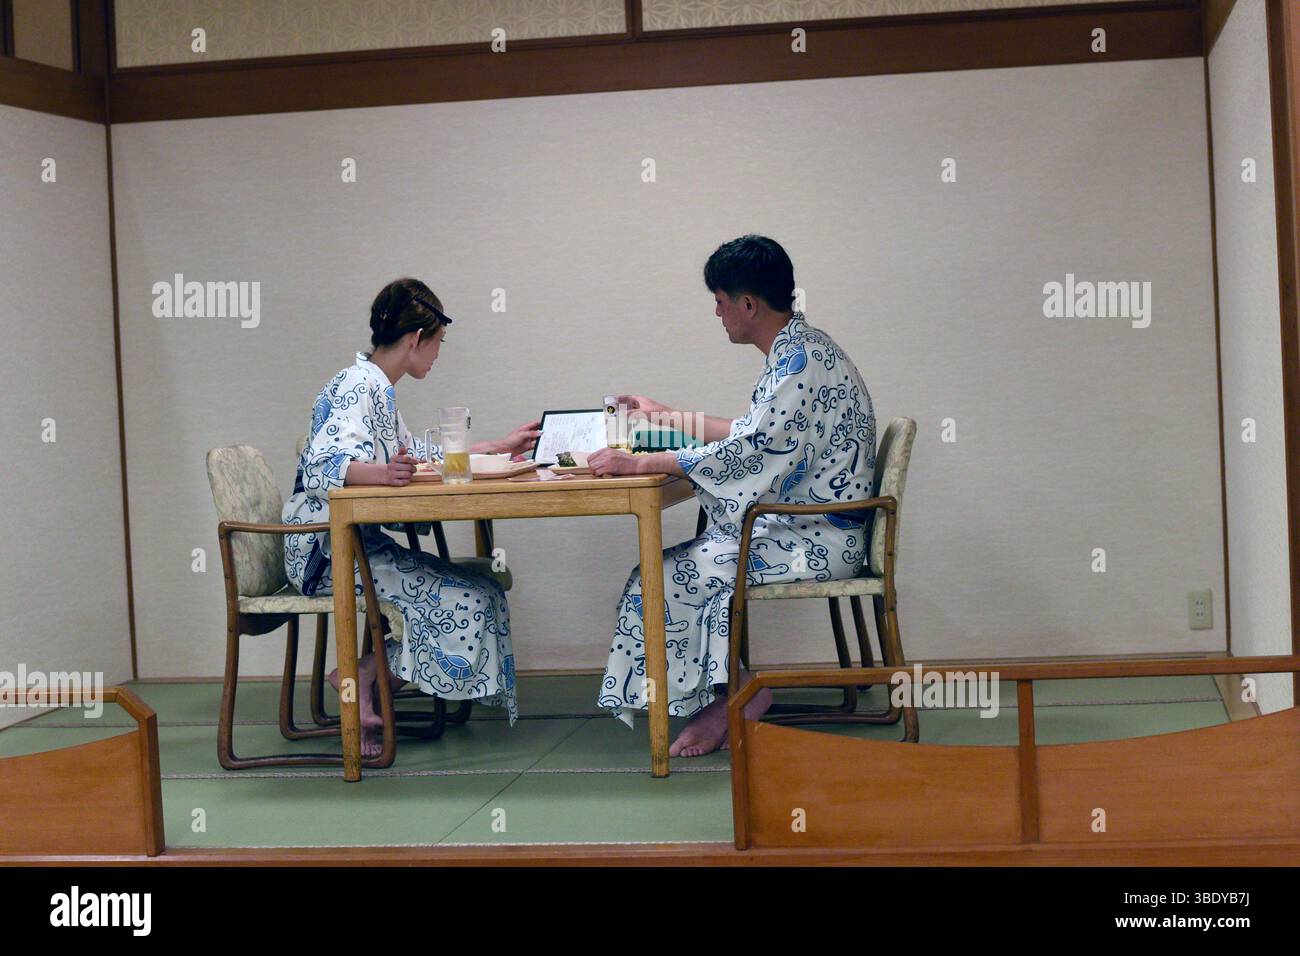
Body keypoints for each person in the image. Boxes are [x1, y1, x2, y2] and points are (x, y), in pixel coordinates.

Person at [588, 236, 877, 757]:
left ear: (748, 304)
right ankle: (732, 690)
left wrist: (643, 462)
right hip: (809, 525)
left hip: (821, 538)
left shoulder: (799, 362)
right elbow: (752, 432)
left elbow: (754, 447)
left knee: (662, 575)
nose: (717, 312)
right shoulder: (801, 350)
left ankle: (732, 697)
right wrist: (668, 417)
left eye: (721, 300)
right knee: (682, 562)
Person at [282, 278, 540, 757]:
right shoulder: (358, 385)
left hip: (356, 545)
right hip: (326, 553)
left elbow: (418, 454)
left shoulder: (376, 386)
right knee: (469, 599)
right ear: (417, 339)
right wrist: (382, 471)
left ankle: (365, 674)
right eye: (439, 342)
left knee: (481, 590)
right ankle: (357, 675)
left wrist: (495, 447)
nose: (439, 354)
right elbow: (320, 465)